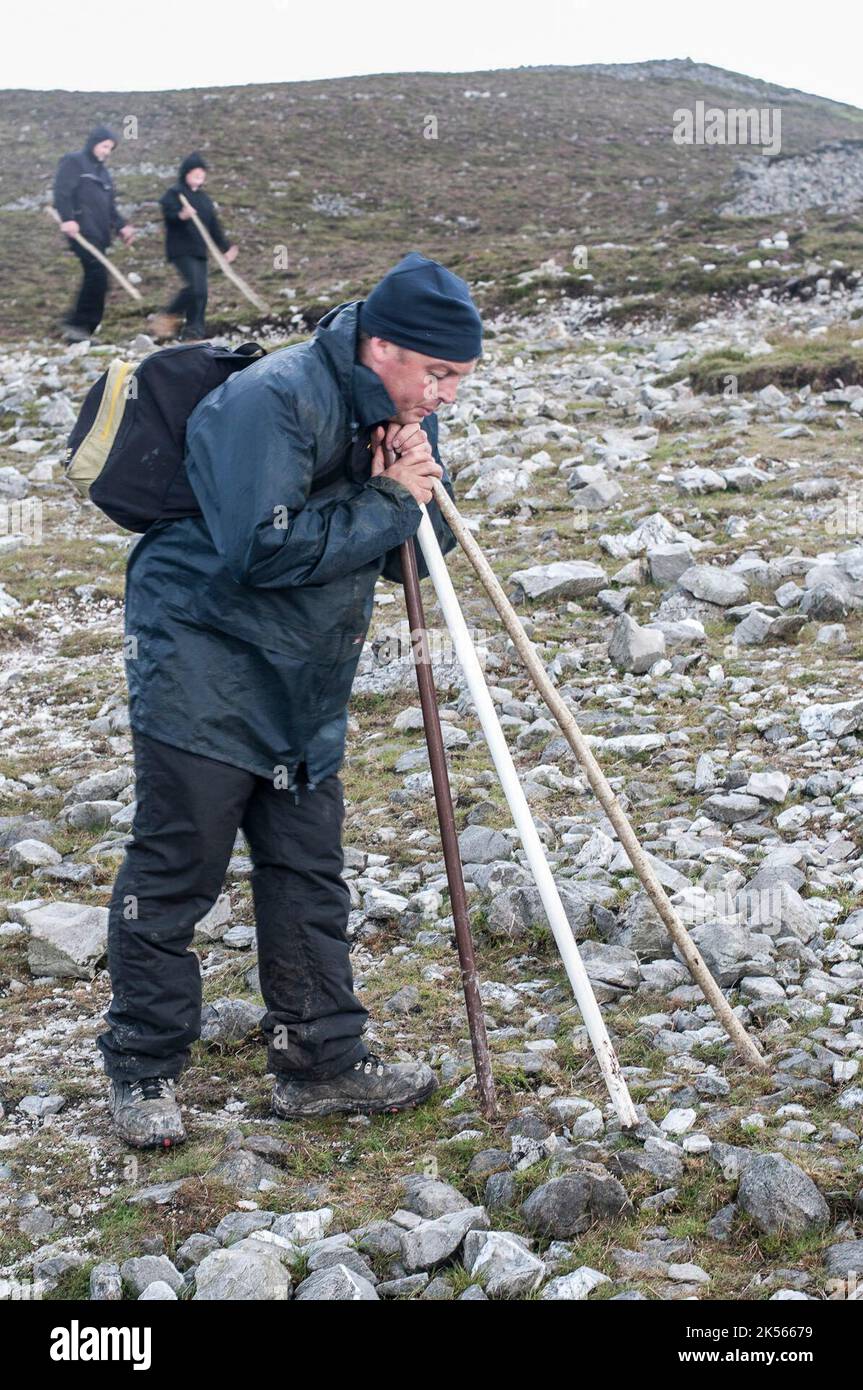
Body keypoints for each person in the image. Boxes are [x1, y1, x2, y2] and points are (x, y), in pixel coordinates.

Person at [98, 253, 483, 1147]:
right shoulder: (269, 400)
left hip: (306, 676)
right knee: (175, 872)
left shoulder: (397, 407)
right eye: (438, 375)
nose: (447, 396)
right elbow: (259, 550)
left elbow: (415, 551)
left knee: (307, 868)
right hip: (203, 659)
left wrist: (418, 485)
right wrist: (389, 501)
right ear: (383, 346)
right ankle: (143, 1070)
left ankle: (320, 1061)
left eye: (458, 380)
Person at [52, 124, 135, 341]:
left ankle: (78, 326)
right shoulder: (75, 161)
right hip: (81, 230)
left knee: (97, 277)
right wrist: (68, 218)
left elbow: (110, 208)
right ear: (94, 143)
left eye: (110, 148)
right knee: (97, 274)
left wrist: (122, 227)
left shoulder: (104, 173)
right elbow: (62, 192)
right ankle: (78, 326)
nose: (107, 151)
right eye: (104, 146)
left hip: (100, 234)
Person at [153, 153, 237, 341]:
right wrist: (181, 215)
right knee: (195, 288)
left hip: (199, 251)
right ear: (186, 173)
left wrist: (226, 247)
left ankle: (193, 332)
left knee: (202, 293)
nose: (200, 175)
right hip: (181, 249)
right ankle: (167, 316)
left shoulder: (204, 199)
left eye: (202, 173)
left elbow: (213, 227)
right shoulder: (175, 193)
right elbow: (169, 215)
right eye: (195, 172)